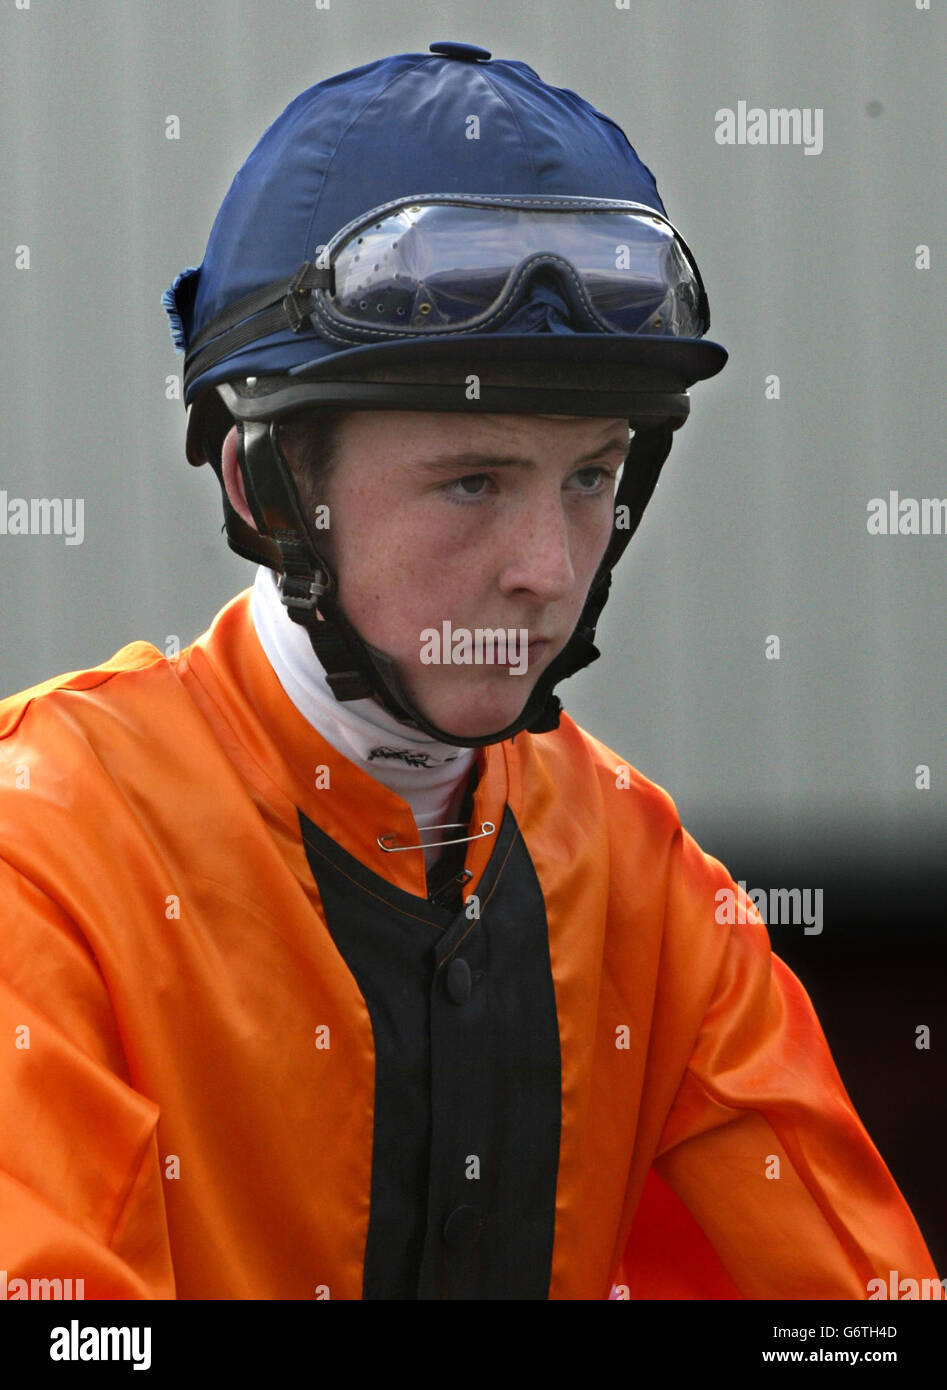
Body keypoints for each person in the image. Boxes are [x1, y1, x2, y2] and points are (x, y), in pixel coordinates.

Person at [0, 41, 938, 1302]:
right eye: (471, 482)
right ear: (265, 485)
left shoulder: (642, 872)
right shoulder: (41, 853)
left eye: (590, 476)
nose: (546, 569)